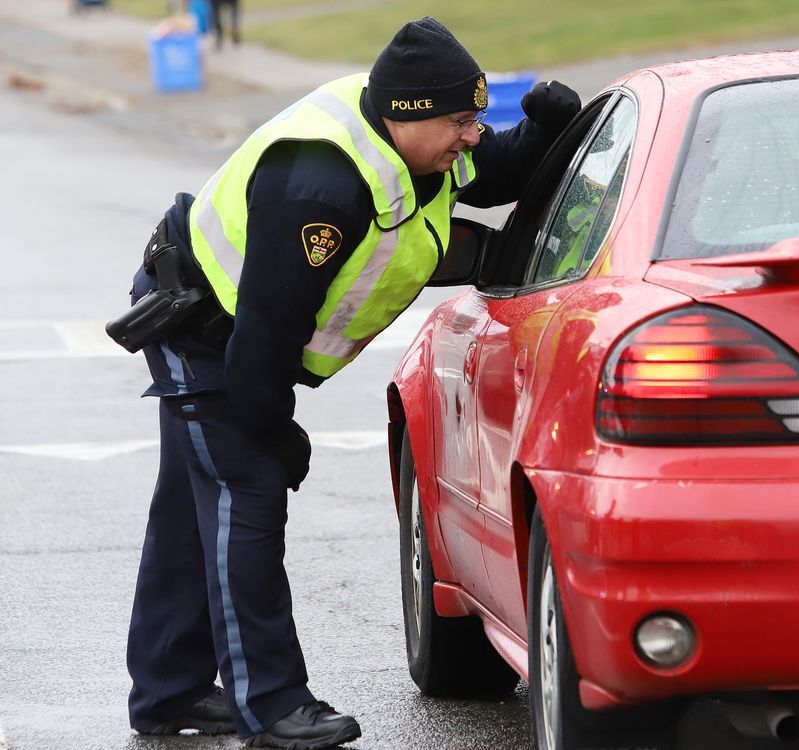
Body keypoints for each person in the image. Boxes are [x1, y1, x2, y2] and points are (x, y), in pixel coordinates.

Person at [119, 16, 581, 750]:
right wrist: (275, 433)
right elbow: (261, 344)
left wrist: (550, 127)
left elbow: (494, 172)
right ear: (407, 116)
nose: (472, 134)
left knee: (193, 506)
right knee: (248, 494)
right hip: (203, 328)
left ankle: (169, 691)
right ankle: (271, 705)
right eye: (462, 121)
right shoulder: (320, 187)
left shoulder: (420, 136)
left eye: (476, 118)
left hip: (244, 338)